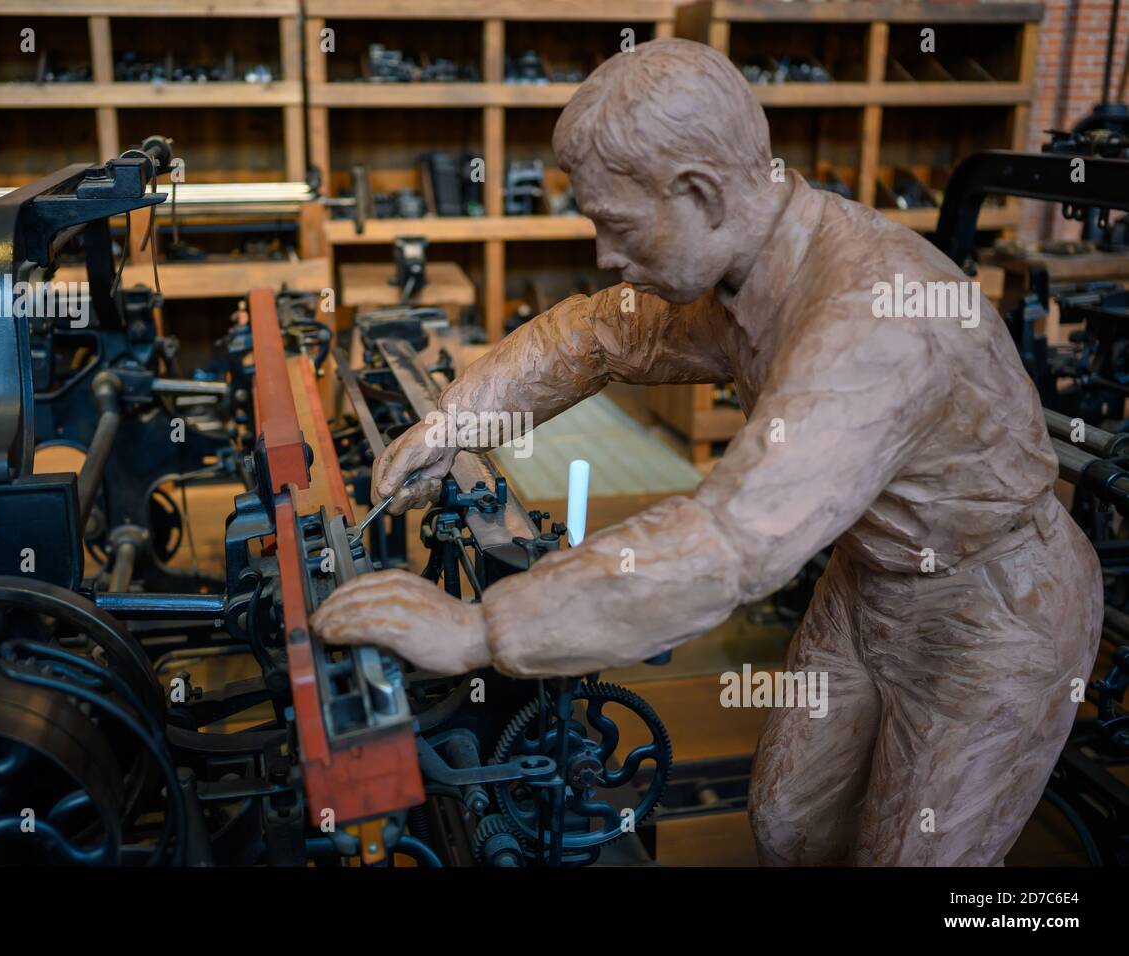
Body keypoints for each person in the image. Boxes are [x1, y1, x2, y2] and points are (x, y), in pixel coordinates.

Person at [311, 39, 1102, 866]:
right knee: (791, 828)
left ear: (699, 193)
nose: (604, 255)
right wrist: (452, 424)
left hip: (992, 606)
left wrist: (478, 632)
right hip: (872, 581)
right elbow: (600, 330)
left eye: (615, 225)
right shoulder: (749, 267)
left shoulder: (873, 321)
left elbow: (729, 543)